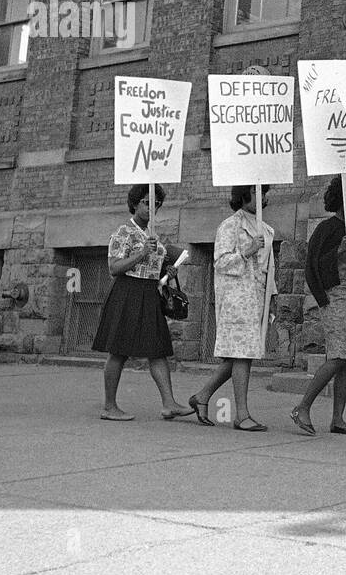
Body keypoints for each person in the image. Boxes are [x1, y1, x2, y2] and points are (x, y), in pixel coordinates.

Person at [92, 185, 193, 421]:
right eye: (147, 203)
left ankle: (169, 403)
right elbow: (114, 267)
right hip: (127, 292)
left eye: (156, 204)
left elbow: (151, 270)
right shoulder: (123, 232)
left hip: (149, 293)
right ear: (135, 203)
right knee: (119, 350)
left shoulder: (152, 234)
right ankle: (109, 406)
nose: (152, 208)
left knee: (157, 350)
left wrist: (166, 272)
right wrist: (141, 254)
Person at [189, 185, 276, 432]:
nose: (263, 198)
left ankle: (202, 396)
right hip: (236, 300)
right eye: (258, 193)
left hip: (257, 298)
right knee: (243, 354)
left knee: (242, 354)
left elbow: (270, 269)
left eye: (264, 193)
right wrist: (246, 252)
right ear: (244, 196)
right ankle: (242, 414)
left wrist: (273, 298)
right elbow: (220, 262)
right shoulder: (230, 226)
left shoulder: (266, 229)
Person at [291, 174, 346, 437]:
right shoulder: (327, 229)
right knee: (337, 356)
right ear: (340, 199)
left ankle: (338, 418)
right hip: (334, 298)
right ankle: (302, 407)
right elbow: (312, 265)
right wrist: (337, 252)